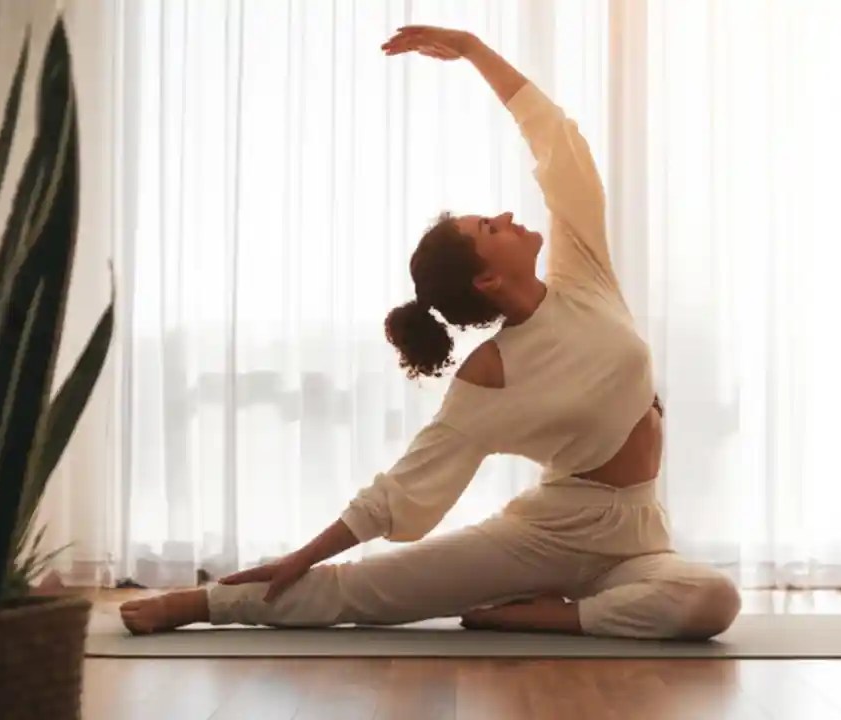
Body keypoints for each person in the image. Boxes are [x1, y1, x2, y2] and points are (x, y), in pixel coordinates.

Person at [120, 25, 740, 640]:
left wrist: (471, 49)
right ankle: (198, 604)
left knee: (712, 600)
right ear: (489, 281)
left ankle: (550, 615)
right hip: (546, 536)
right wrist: (302, 555)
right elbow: (405, 487)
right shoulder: (492, 371)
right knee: (363, 593)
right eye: (488, 230)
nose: (503, 216)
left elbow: (557, 140)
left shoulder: (584, 275)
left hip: (639, 536)